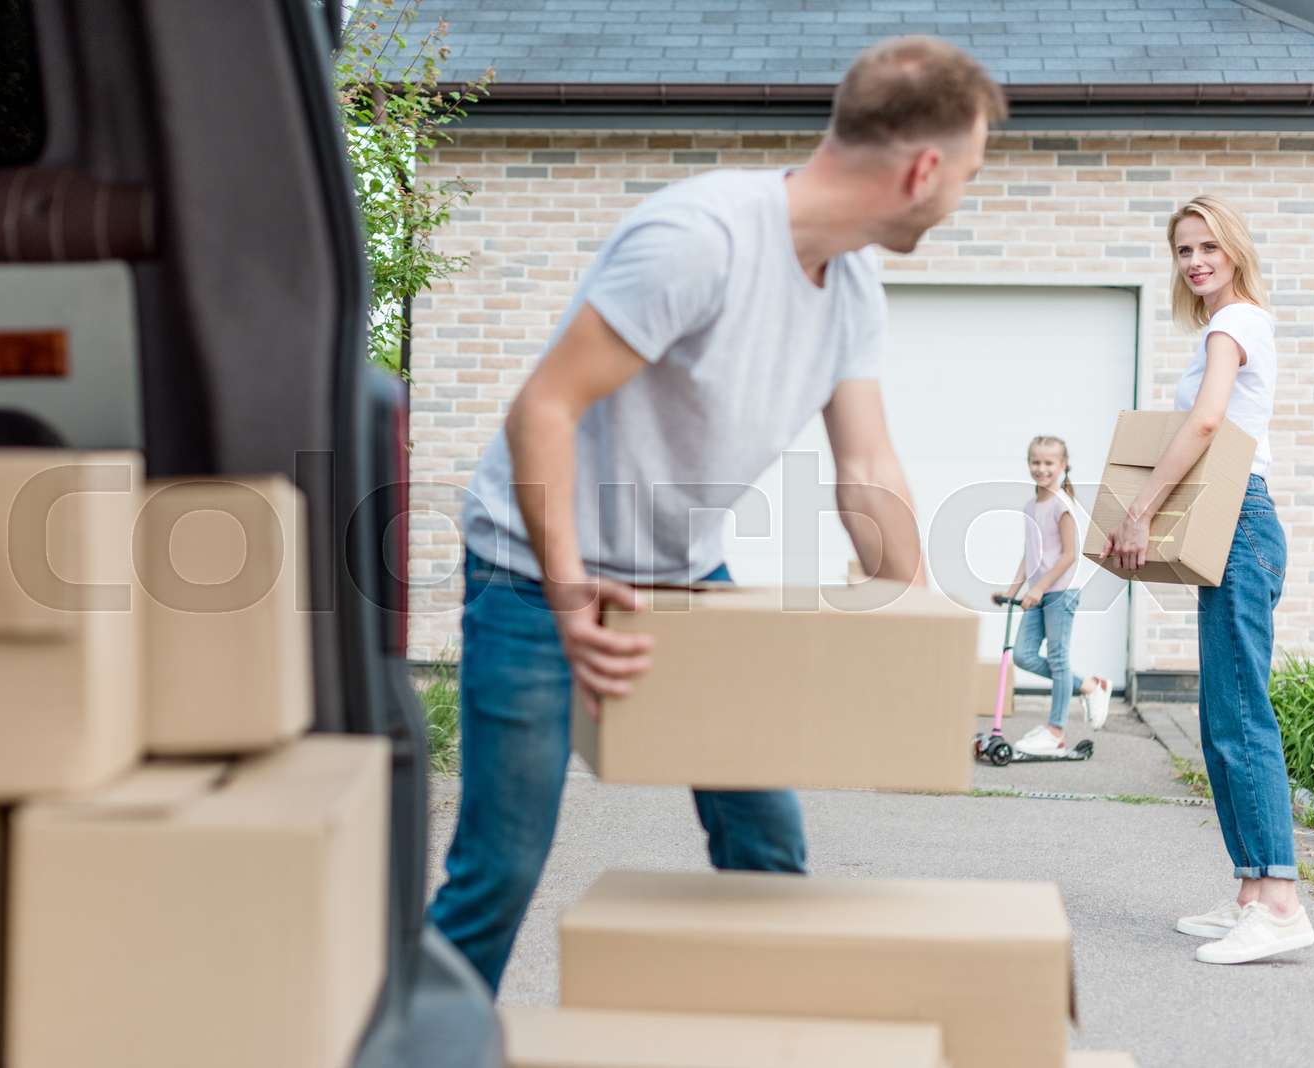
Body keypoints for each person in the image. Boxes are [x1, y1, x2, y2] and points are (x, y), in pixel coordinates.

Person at [426, 37, 1007, 992]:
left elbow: (866, 468)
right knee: (498, 872)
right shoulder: (703, 239)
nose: (962, 198)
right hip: (536, 578)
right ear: (922, 168)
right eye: (969, 177)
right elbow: (544, 408)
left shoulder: (852, 282)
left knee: (766, 847)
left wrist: (927, 636)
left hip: (684, 572)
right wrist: (570, 595)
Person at [1101, 195, 1313, 965]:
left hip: (1241, 521)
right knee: (1223, 709)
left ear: (1234, 251)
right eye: (1184, 250)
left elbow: (1203, 425)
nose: (1194, 262)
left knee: (1240, 715)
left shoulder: (1232, 324)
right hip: (1239, 527)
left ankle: (1282, 902)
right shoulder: (1230, 325)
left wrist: (1138, 512)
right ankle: (1254, 893)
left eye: (1207, 248)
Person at [999, 434, 1111, 756]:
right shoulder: (1032, 505)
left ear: (1063, 466)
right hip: (1038, 591)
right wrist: (1013, 589)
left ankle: (1056, 731)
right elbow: (1031, 552)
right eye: (1036, 462)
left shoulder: (1062, 505)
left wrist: (1037, 588)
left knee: (1059, 661)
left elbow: (1068, 556)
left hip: (1061, 591)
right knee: (1023, 655)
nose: (1042, 468)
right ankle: (1090, 686)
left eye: (1049, 463)